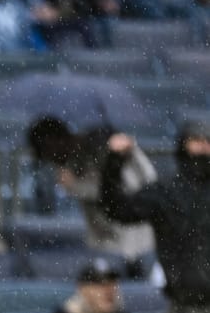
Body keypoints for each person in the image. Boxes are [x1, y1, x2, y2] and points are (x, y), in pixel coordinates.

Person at [99, 122, 210, 313]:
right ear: (183, 146)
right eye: (197, 141)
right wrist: (115, 161)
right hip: (188, 306)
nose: (204, 147)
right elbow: (117, 209)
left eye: (208, 142)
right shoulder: (166, 191)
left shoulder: (165, 190)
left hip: (189, 305)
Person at [28, 116, 157, 273]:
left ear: (56, 141)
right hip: (105, 242)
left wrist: (74, 185)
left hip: (129, 239)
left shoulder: (98, 145)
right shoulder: (73, 159)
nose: (51, 159)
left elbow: (111, 190)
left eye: (48, 152)